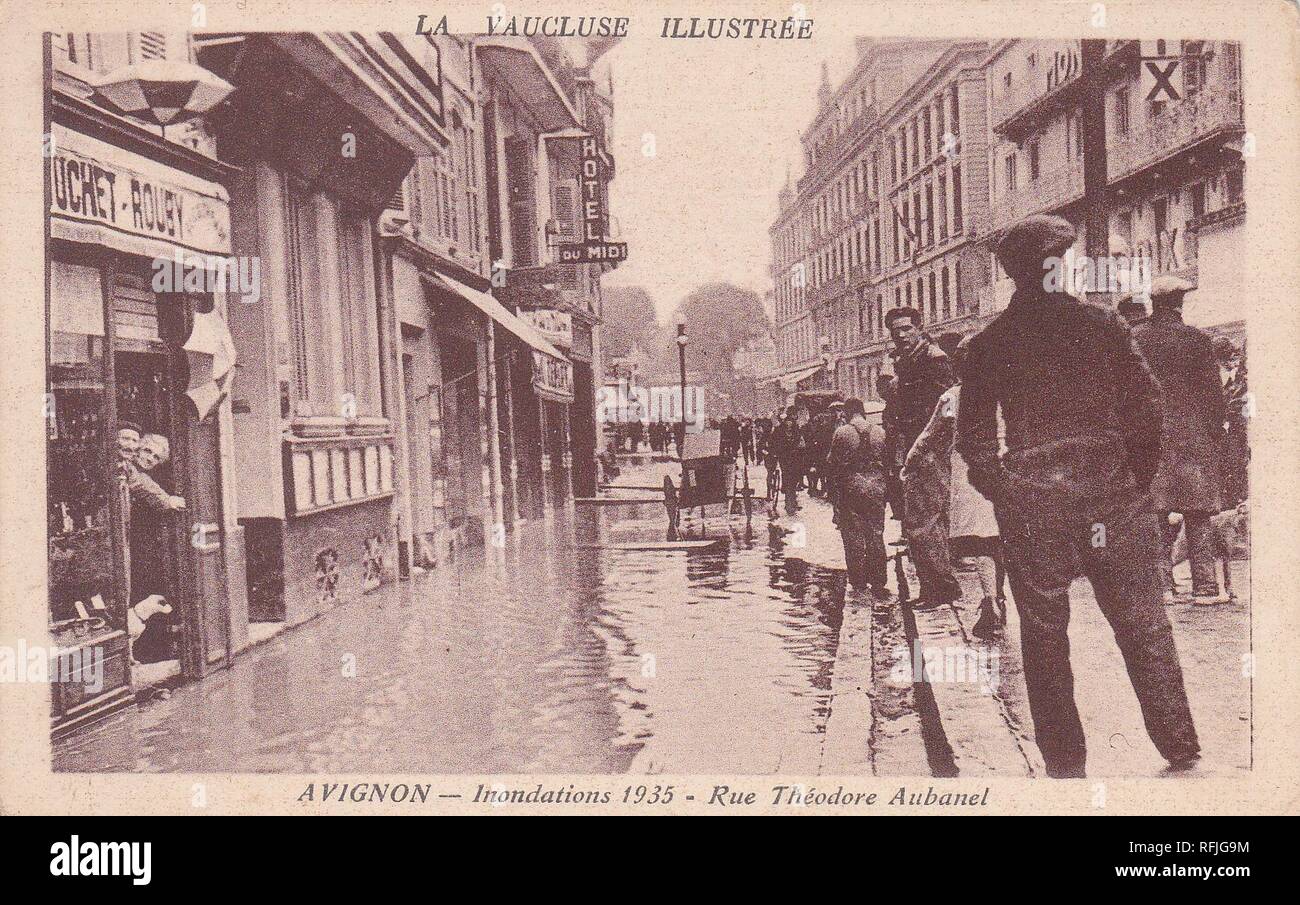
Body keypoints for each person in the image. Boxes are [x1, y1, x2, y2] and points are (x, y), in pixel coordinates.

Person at [956, 214, 1199, 777]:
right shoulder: (1102, 324)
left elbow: (973, 439)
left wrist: (1008, 490)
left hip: (1036, 502)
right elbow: (1147, 407)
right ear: (1059, 265)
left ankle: (1066, 765)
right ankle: (1178, 742)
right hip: (1111, 495)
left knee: (1043, 637)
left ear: (1013, 275)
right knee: (1143, 622)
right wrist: (1132, 480)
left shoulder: (991, 342)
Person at [1132, 276, 1230, 605]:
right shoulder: (1198, 340)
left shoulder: (1135, 339)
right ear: (1179, 303)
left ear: (1152, 303)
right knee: (1198, 514)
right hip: (1194, 438)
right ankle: (1205, 587)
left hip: (1151, 439)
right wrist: (1214, 435)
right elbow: (1215, 398)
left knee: (1156, 514)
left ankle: (1163, 587)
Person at [906, 336, 1005, 639]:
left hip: (969, 473)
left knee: (981, 541)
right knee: (998, 539)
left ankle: (991, 603)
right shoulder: (999, 394)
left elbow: (929, 434)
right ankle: (997, 599)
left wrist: (910, 460)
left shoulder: (953, 397)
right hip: (1003, 467)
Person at [888, 307, 958, 609]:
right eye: (895, 330)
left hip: (928, 451)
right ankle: (939, 585)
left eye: (906, 328)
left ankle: (939, 588)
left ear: (919, 328)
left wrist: (929, 450)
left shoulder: (933, 360)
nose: (901, 335)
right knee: (925, 521)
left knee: (923, 522)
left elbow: (944, 413)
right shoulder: (909, 362)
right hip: (918, 449)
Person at [827, 398, 890, 596]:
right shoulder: (880, 432)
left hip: (851, 487)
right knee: (876, 532)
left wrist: (834, 499)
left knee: (853, 534)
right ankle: (879, 579)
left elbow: (832, 465)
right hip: (876, 487)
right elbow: (888, 463)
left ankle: (858, 579)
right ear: (863, 412)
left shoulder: (842, 433)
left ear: (846, 413)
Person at [1215, 336, 1249, 507]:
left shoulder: (1237, 381)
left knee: (1236, 463)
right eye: (1230, 358)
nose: (1234, 363)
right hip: (1228, 432)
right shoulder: (1225, 379)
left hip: (1235, 430)